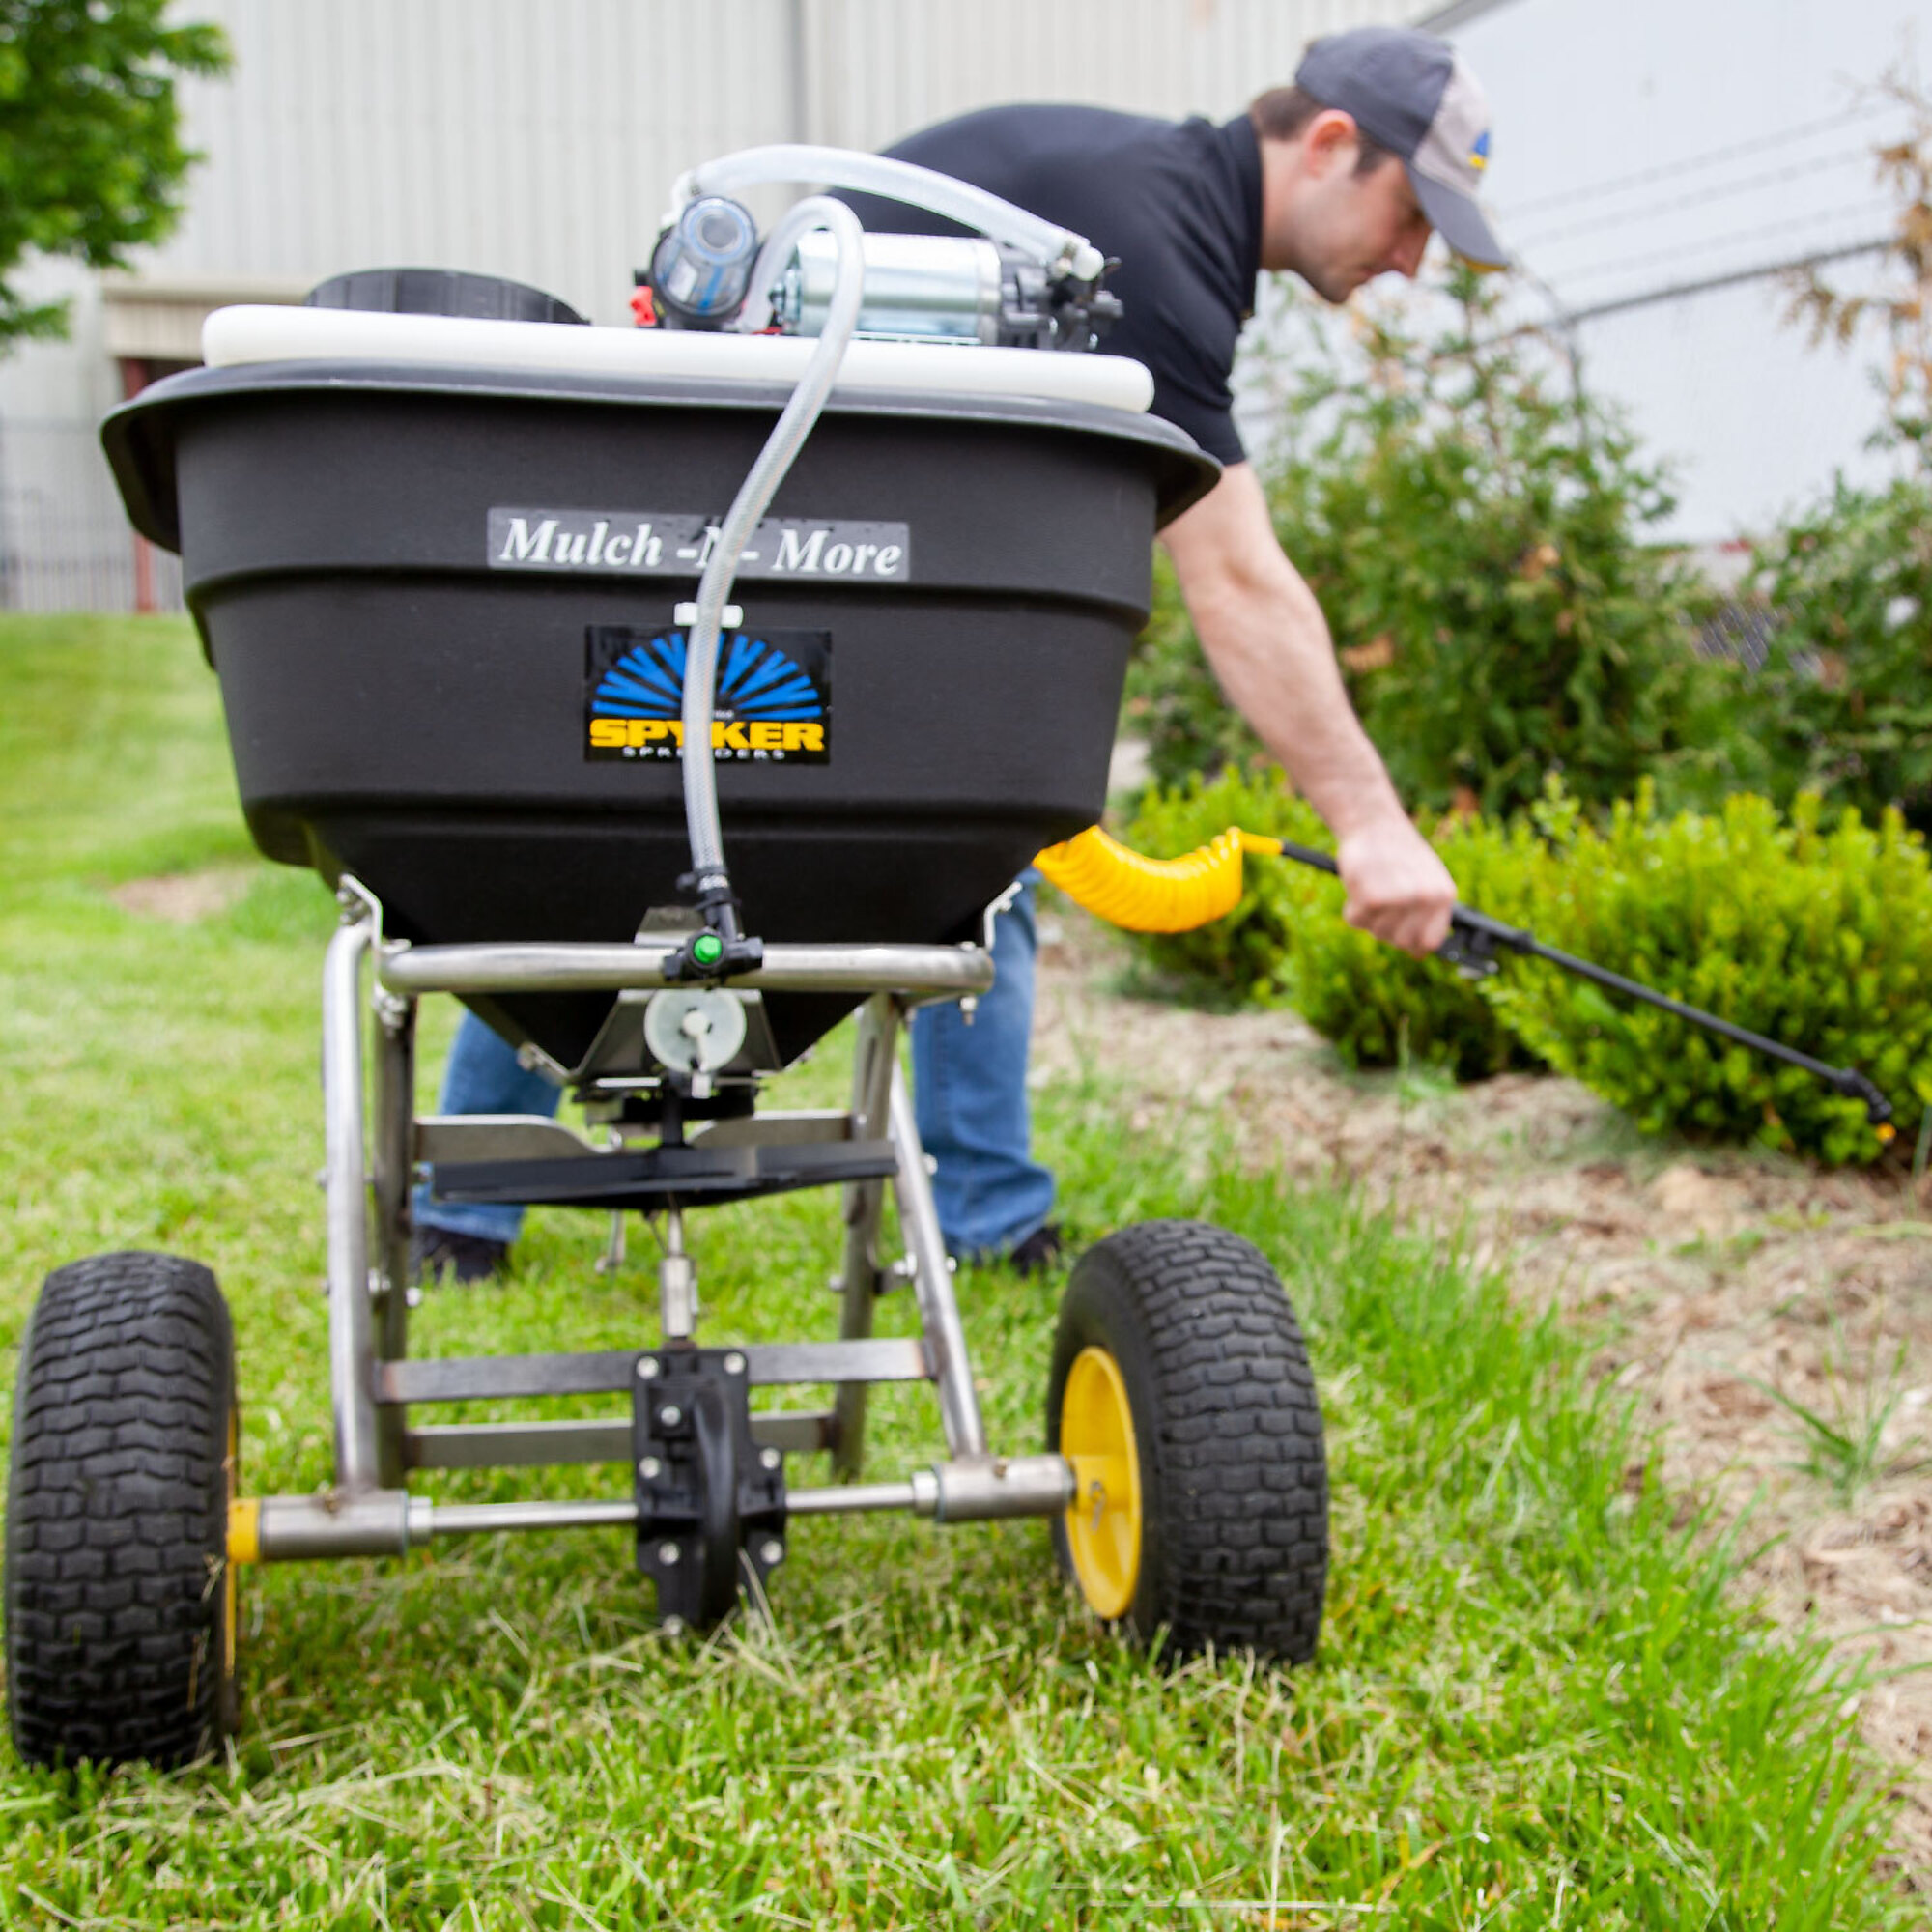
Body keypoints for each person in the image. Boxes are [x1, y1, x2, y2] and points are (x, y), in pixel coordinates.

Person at [413, 24, 1501, 1285]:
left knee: (966, 834)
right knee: (640, 822)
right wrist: (1367, 822)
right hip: (738, 514)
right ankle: (478, 1204)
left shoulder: (1147, 203)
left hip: (844, 538)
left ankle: (970, 1215)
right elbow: (1239, 578)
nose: (1415, 260)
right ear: (1329, 145)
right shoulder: (1150, 240)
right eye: (1416, 214)